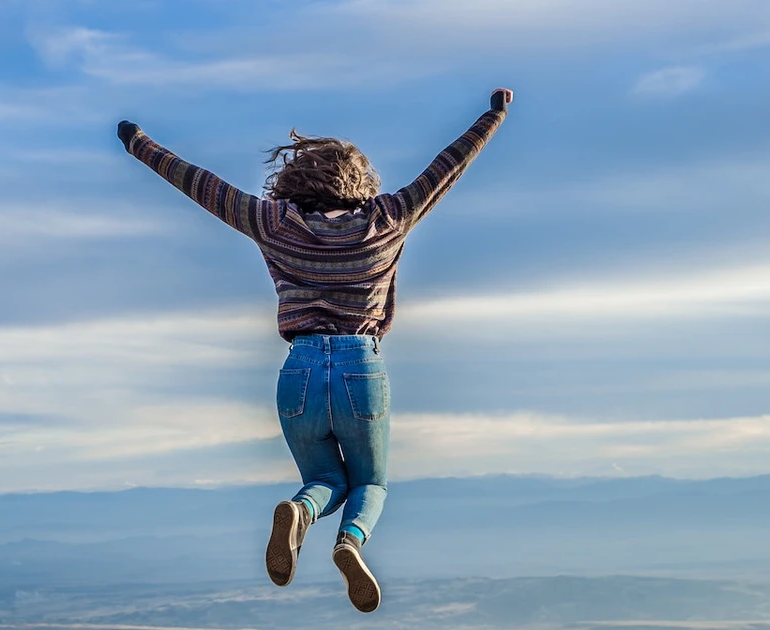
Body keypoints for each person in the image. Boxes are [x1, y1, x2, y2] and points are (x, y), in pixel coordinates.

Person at [116, 88, 512, 613]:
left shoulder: (273, 223)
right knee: (370, 481)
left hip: (298, 371)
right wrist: (494, 115)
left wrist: (138, 143)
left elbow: (201, 184)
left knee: (324, 479)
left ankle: (302, 513)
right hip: (360, 365)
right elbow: (446, 167)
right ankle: (349, 543)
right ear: (361, 182)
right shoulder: (387, 219)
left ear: (294, 182)